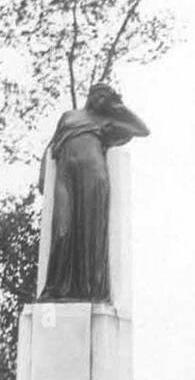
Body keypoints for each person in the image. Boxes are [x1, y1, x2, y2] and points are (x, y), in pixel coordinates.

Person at [39, 83, 150, 303]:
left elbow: (142, 130)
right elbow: (51, 146)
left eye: (104, 97)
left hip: (93, 177)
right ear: (89, 96)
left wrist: (120, 107)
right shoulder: (69, 116)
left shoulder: (107, 121)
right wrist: (43, 173)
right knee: (62, 230)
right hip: (65, 176)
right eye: (96, 95)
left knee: (90, 232)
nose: (98, 99)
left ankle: (88, 292)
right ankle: (54, 290)